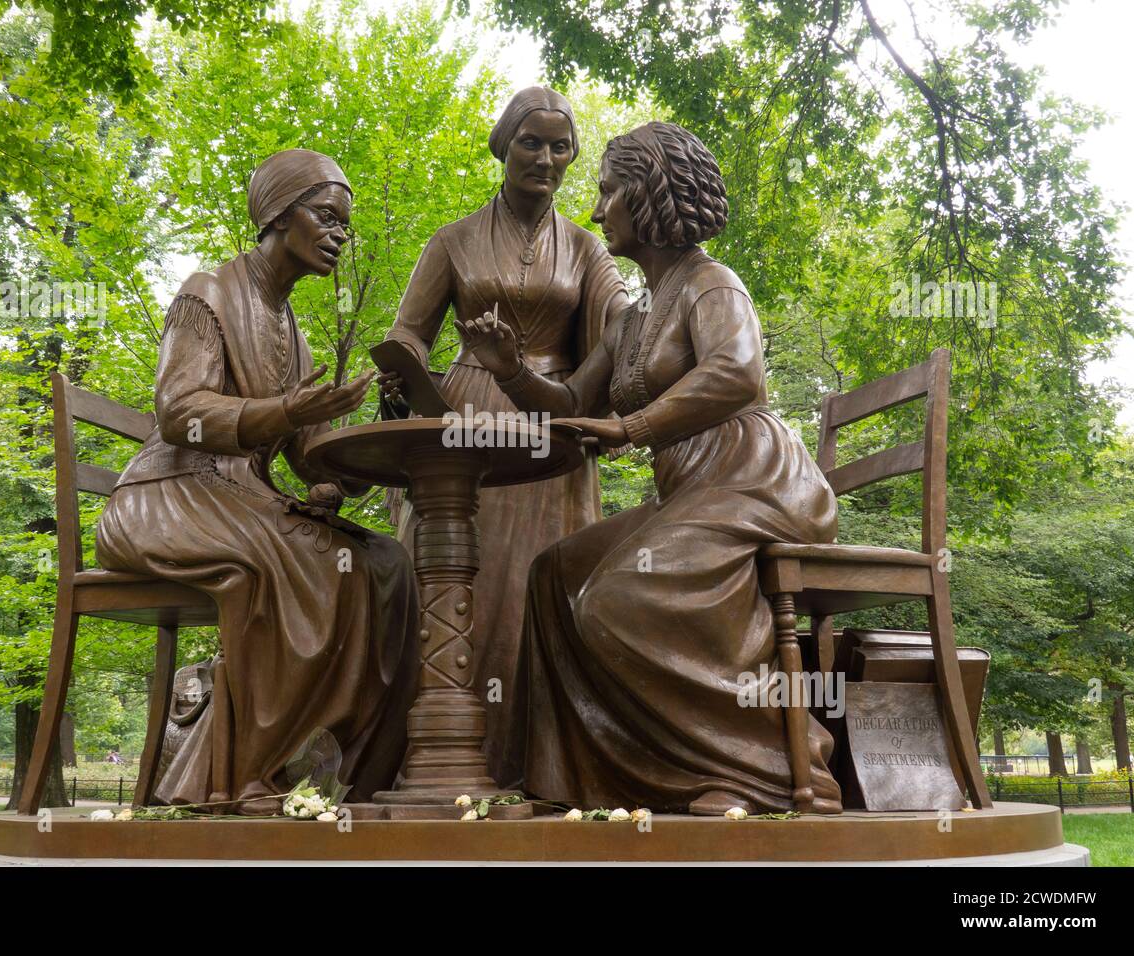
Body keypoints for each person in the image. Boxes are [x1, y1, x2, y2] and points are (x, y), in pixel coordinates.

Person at [456, 122, 843, 814]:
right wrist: (511, 371)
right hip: (691, 491)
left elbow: (737, 375)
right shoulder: (631, 319)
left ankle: (770, 766)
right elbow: (573, 400)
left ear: (649, 195)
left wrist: (631, 428)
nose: (598, 209)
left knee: (614, 601)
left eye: (608, 192)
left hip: (753, 480)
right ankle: (576, 781)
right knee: (554, 575)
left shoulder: (711, 284)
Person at [96, 149, 419, 814]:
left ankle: (340, 771)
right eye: (326, 217)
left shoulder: (290, 329)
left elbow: (306, 459)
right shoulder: (206, 293)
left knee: (386, 563)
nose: (337, 234)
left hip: (238, 499)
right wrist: (283, 411)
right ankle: (244, 775)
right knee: (301, 562)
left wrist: (381, 417)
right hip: (167, 496)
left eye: (344, 227)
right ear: (277, 214)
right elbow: (179, 413)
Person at [379, 87, 628, 786]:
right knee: (454, 576)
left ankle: (538, 770)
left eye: (560, 147)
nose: (546, 159)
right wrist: (402, 369)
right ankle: (438, 763)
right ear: (503, 146)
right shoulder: (452, 240)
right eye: (531, 143)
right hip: (462, 419)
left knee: (541, 584)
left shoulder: (584, 249)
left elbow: (619, 329)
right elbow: (408, 330)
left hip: (549, 424)